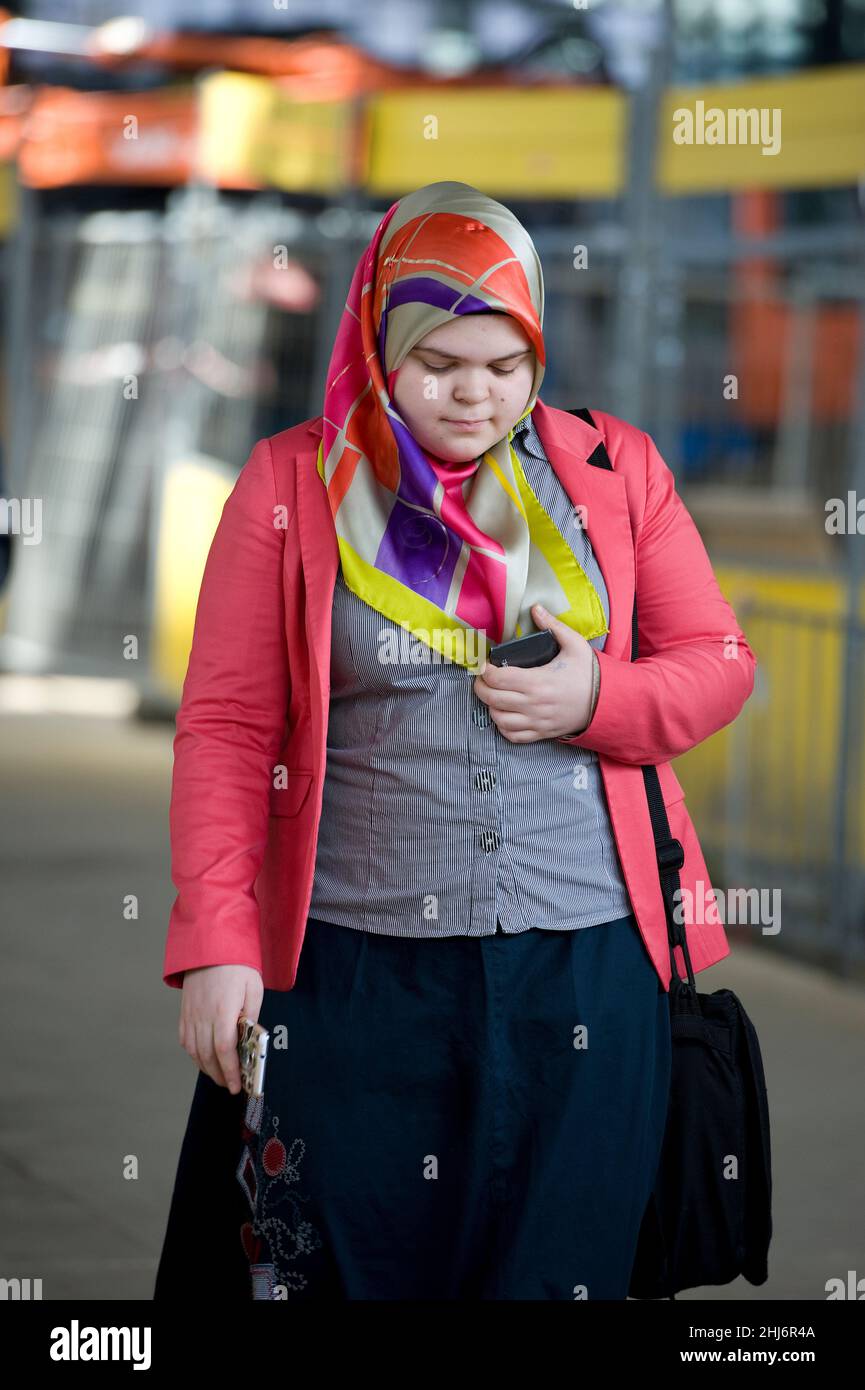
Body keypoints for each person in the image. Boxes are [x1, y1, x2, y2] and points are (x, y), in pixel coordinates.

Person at [153, 180, 756, 1301]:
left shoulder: (610, 476)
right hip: (352, 972)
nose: (474, 394)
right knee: (338, 1266)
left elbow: (719, 665)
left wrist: (593, 701)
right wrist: (216, 941)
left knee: (555, 1272)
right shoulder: (292, 484)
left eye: (504, 363)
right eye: (438, 364)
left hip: (585, 966)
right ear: (381, 346)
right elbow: (231, 727)